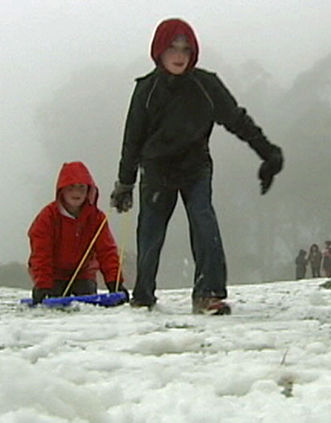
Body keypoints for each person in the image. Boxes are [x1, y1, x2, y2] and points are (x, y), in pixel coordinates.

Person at [109, 18, 284, 315]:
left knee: (204, 222)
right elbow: (132, 139)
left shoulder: (206, 85)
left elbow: (237, 120)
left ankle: (208, 293)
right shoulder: (147, 90)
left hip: (195, 168)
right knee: (150, 233)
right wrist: (125, 184)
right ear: (159, 52)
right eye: (172, 48)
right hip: (156, 171)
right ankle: (143, 295)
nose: (179, 55)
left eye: (185, 49)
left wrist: (268, 153)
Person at [28, 162, 127, 305]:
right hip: (53, 276)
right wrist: (42, 284)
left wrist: (115, 282)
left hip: (84, 274)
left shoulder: (96, 218)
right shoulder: (47, 218)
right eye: (71, 187)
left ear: (89, 190)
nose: (77, 193)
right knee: (55, 307)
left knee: (87, 307)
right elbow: (41, 254)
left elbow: (106, 251)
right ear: (62, 190)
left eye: (82, 187)